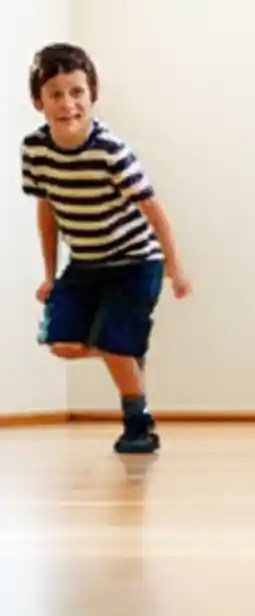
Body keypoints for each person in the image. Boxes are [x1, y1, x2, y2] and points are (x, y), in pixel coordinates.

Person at [22, 42, 193, 455]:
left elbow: (154, 210)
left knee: (116, 344)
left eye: (77, 92)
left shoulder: (110, 151)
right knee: (61, 343)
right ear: (38, 101)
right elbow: (48, 212)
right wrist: (49, 274)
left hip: (136, 261)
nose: (68, 104)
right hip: (85, 263)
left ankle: (139, 422)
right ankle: (126, 348)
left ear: (92, 95)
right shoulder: (35, 150)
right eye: (55, 94)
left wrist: (176, 266)